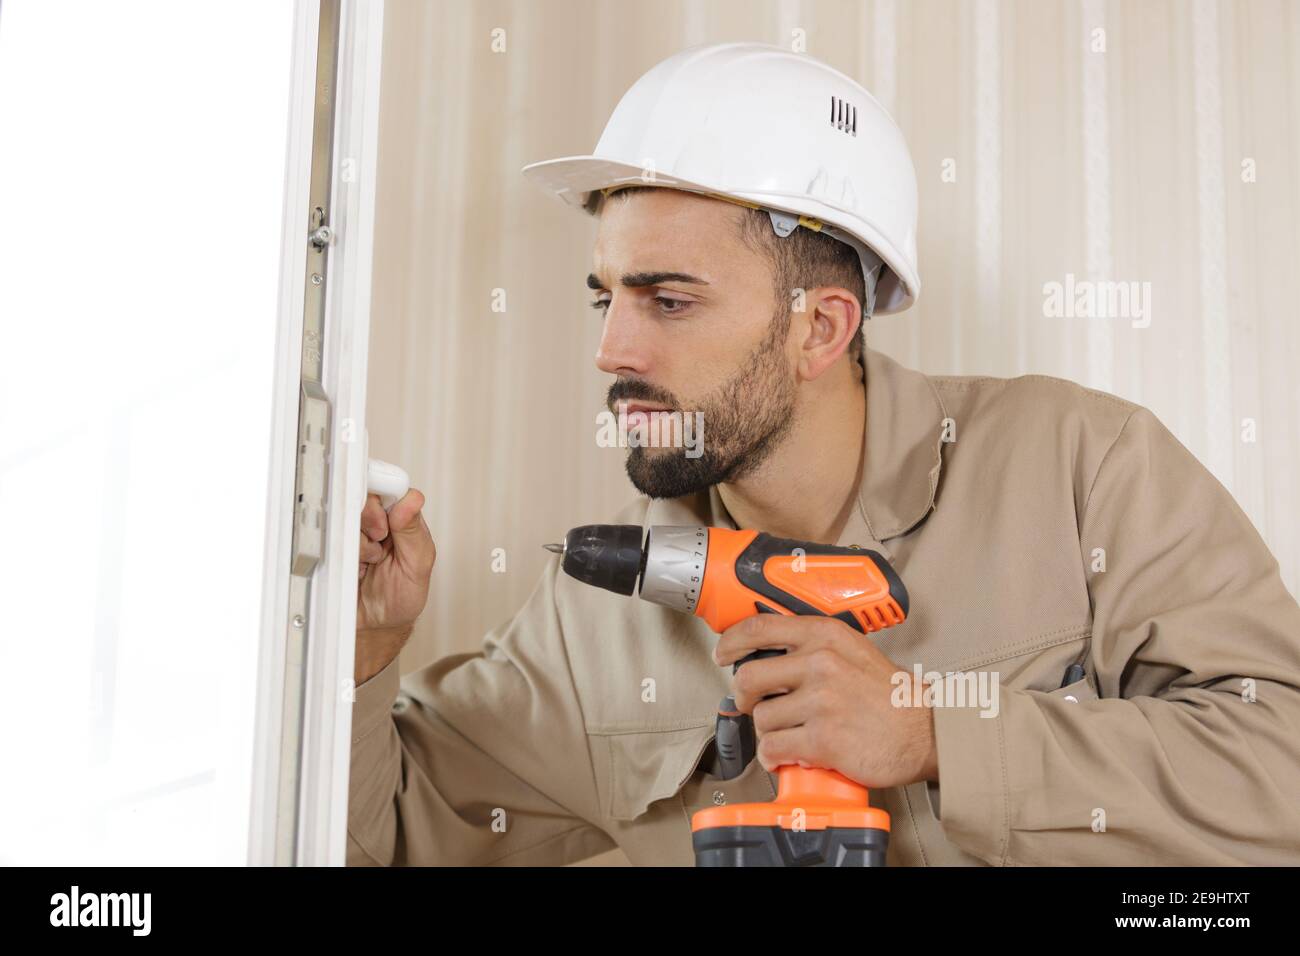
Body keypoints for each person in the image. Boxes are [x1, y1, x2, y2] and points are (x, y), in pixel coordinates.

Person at [347, 42, 1300, 866]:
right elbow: (381, 837)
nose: (611, 351)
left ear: (821, 328)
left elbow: (1280, 770)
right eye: (607, 298)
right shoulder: (594, 621)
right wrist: (358, 658)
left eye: (668, 301)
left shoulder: (1078, 469)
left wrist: (938, 735)